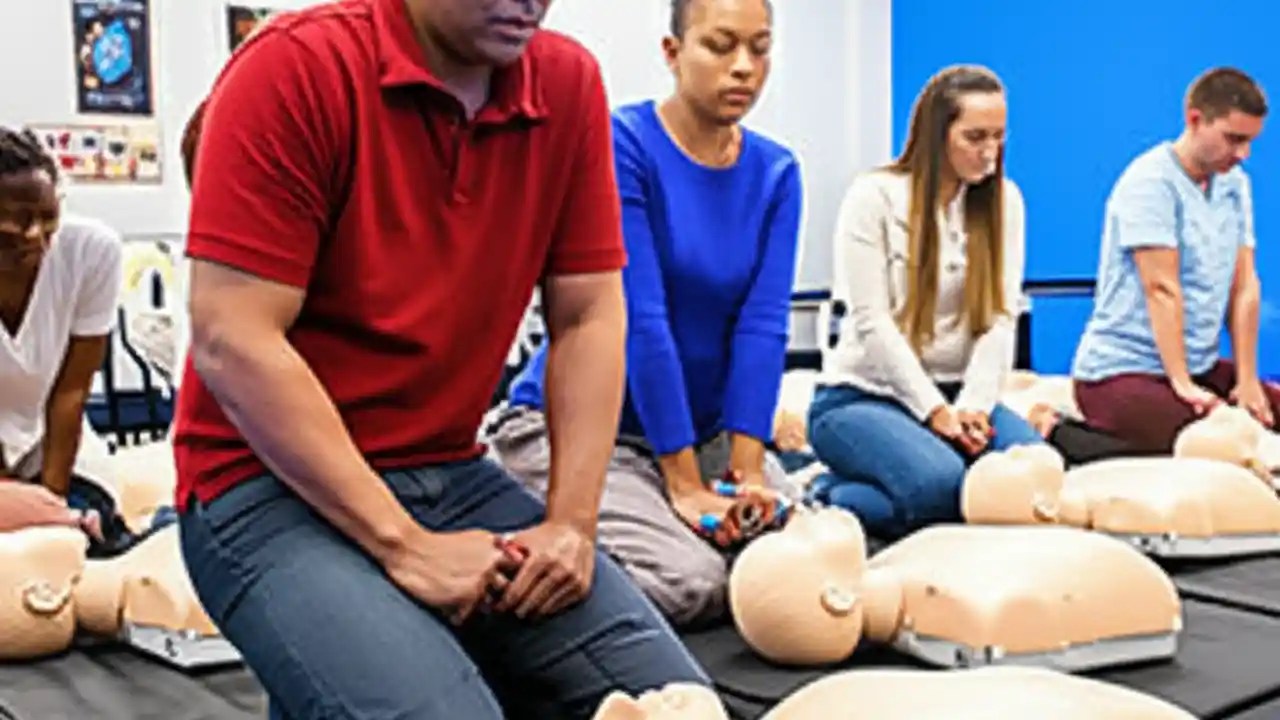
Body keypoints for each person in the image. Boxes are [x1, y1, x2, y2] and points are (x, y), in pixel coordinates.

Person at [172, 0, 707, 718]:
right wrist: (404, 545)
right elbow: (232, 336)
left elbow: (587, 315)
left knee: (677, 706)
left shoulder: (567, 84)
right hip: (265, 482)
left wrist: (571, 525)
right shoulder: (295, 66)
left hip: (449, 472)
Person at [488, 0, 801, 629]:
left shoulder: (776, 171)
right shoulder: (624, 144)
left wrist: (745, 474)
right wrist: (684, 485)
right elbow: (641, 323)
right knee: (693, 582)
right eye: (721, 46)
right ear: (672, 53)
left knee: (802, 553)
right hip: (582, 431)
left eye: (760, 48)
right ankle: (508, 560)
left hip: (703, 436)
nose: (744, 67)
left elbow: (763, 327)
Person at [806, 66, 1043, 541]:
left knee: (1032, 474)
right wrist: (936, 413)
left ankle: (897, 479)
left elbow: (1000, 317)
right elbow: (873, 323)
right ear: (937, 135)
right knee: (942, 486)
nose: (990, 152)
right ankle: (825, 492)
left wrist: (974, 408)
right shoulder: (873, 196)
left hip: (959, 396)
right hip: (861, 397)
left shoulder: (1005, 202)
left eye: (998, 137)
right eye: (975, 137)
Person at [1073, 67, 1278, 453]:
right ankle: (1059, 430)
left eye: (1250, 141)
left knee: (1266, 413)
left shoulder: (1234, 184)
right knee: (1223, 442)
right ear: (1195, 120)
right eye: (1233, 139)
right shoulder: (1150, 183)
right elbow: (1161, 288)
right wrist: (1182, 385)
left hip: (1200, 366)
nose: (1242, 154)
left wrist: (1248, 380)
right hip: (1120, 374)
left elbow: (1245, 285)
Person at [0, 127, 133, 556]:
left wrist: (49, 505)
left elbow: (70, 393)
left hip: (56, 451)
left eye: (47, 216)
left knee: (85, 537)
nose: (34, 235)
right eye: (14, 222)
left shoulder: (91, 251)